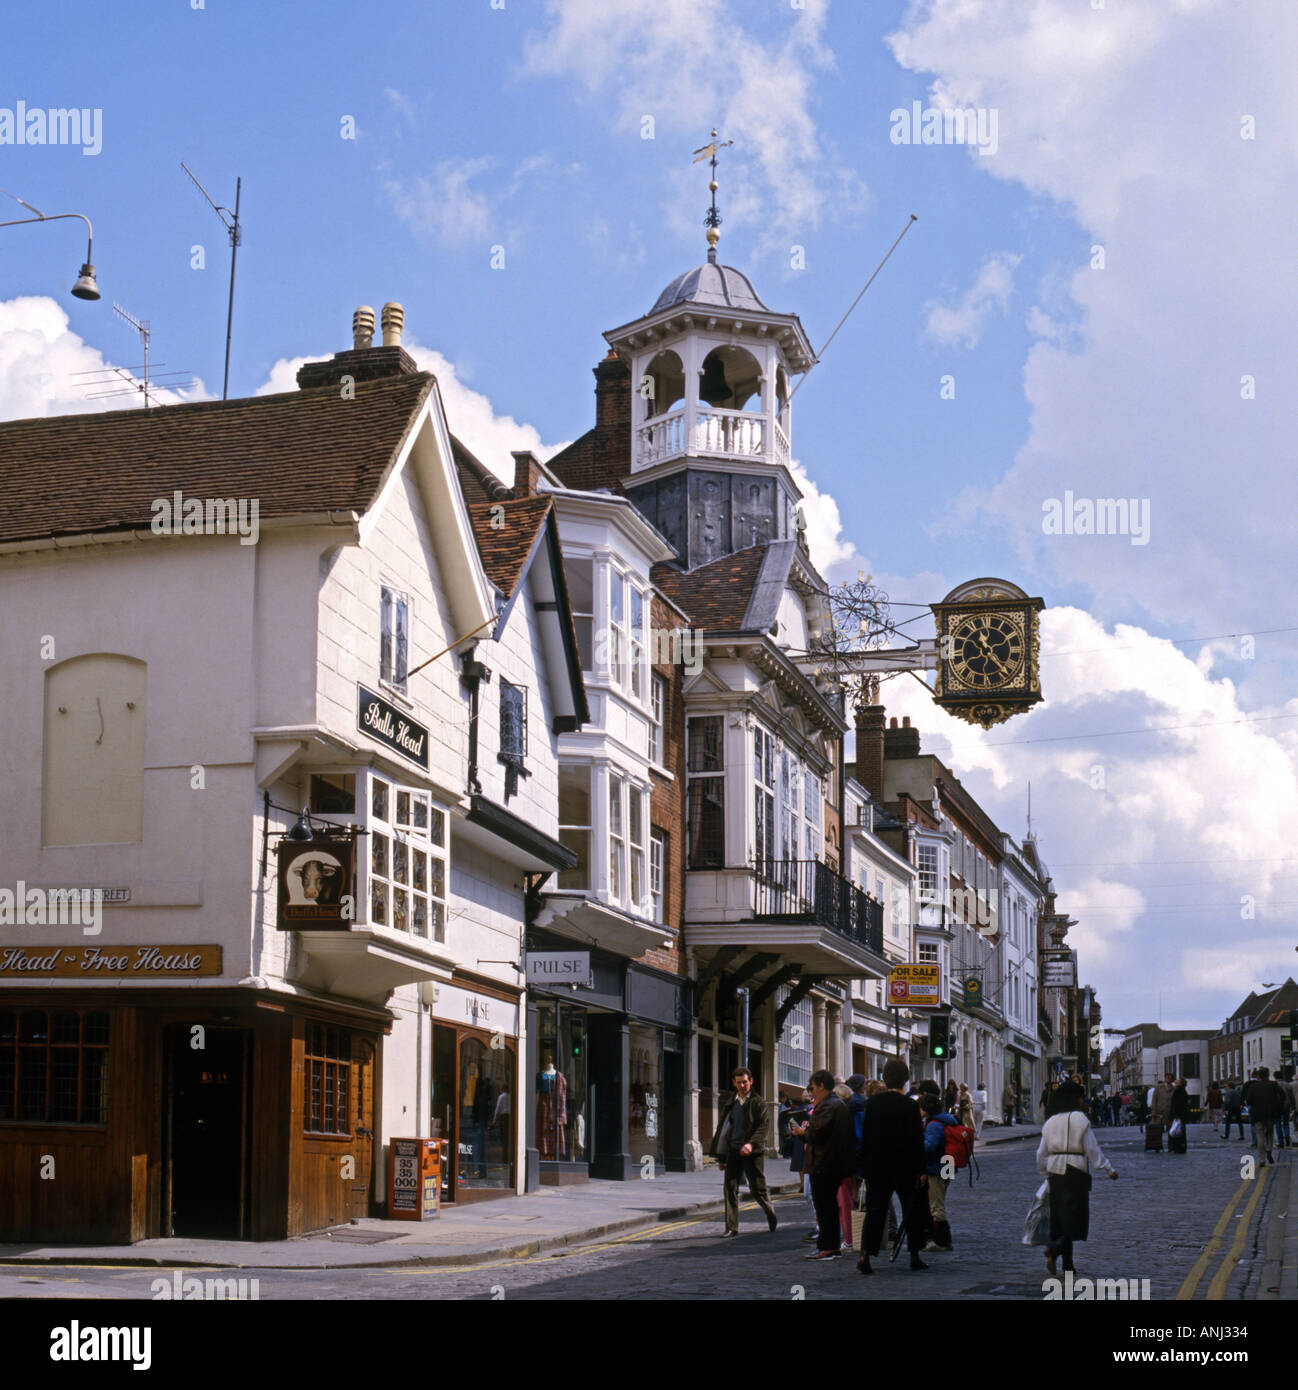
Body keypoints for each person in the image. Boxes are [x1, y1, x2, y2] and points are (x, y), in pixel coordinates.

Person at [857, 1058, 929, 1274]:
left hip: (877, 1166)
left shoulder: (872, 1104)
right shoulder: (910, 1106)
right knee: (912, 1210)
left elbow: (866, 1138)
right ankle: (915, 1254)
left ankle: (865, 1255)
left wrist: (865, 1167)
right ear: (905, 1080)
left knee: (875, 1211)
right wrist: (921, 1169)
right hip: (905, 1167)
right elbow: (917, 1140)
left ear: (885, 1079)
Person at [1036, 1090, 1119, 1275]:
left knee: (1059, 1219)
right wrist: (1108, 1168)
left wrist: (1044, 1172)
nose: (1082, 1100)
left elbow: (1040, 1153)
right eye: (1080, 1097)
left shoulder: (1050, 1122)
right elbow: (1092, 1148)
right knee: (1073, 1218)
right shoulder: (1081, 1120)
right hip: (1076, 1171)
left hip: (1055, 1170)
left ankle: (1068, 1265)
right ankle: (1055, 1249)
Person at [792, 1069, 856, 1259]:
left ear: (821, 1085)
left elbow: (818, 1134)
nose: (811, 1093)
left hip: (824, 1164)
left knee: (825, 1208)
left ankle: (827, 1247)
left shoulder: (828, 1105)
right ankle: (831, 1247)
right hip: (831, 1163)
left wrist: (802, 1132)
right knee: (828, 1207)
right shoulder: (836, 1104)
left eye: (812, 1088)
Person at [709, 1066, 779, 1237]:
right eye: (739, 1083)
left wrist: (751, 1144)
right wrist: (721, 1157)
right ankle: (732, 1227)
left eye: (745, 1082)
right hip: (733, 1150)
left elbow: (763, 1127)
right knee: (730, 1188)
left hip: (752, 1153)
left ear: (751, 1082)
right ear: (734, 1083)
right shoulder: (731, 1102)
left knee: (757, 1189)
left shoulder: (758, 1102)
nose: (742, 1086)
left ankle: (770, 1212)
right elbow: (723, 1129)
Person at [920, 1093, 957, 1252]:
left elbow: (929, 1146)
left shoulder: (934, 1124)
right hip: (948, 1162)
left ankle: (942, 1240)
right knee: (941, 1196)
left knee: (936, 1203)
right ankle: (942, 1239)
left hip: (938, 1165)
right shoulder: (947, 1119)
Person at [786, 1090, 818, 1239]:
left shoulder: (822, 1113)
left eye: (814, 1097)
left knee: (815, 1194)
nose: (812, 1100)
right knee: (808, 1193)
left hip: (818, 1159)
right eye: (811, 1097)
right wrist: (799, 1131)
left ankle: (821, 1227)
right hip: (808, 1157)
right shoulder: (809, 1112)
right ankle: (819, 1225)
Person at [1242, 1066, 1286, 1166]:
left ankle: (1262, 1159)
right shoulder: (1273, 1085)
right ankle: (1269, 1150)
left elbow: (1248, 1101)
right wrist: (1278, 1106)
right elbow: (1282, 1096)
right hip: (1270, 1113)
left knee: (1260, 1136)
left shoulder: (1253, 1087)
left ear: (1258, 1076)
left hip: (1257, 1114)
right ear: (1268, 1075)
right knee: (1270, 1134)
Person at [1168, 1077, 1190, 1153]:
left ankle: (1177, 1148)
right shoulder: (1183, 1091)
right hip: (1182, 1115)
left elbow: (1177, 1104)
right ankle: (1182, 1147)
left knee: (1177, 1132)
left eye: (1178, 1080)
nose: (1176, 1081)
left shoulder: (1177, 1091)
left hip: (1178, 1115)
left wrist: (1176, 1115)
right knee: (1181, 1131)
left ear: (1180, 1083)